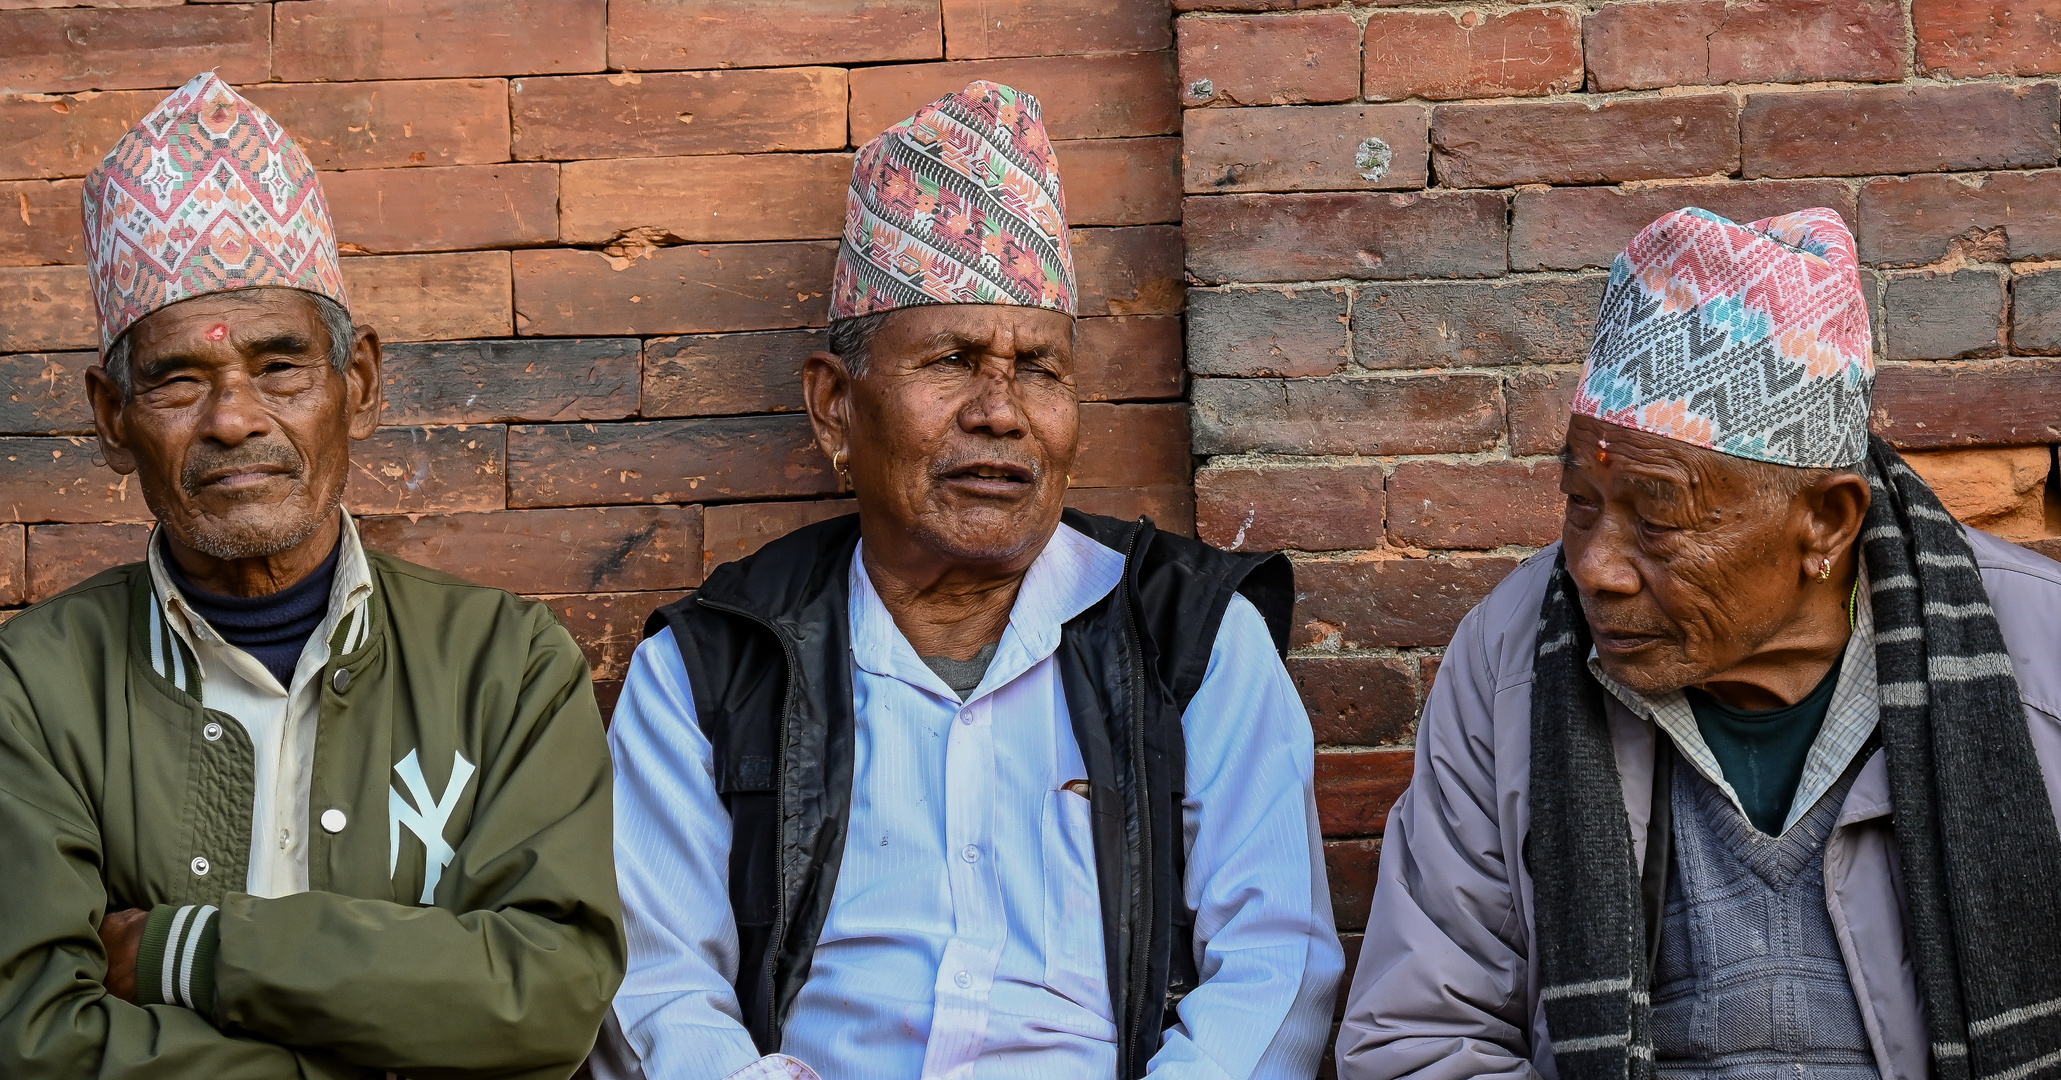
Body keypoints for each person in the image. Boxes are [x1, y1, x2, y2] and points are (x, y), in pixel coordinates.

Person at [597, 82, 1342, 1080]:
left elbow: (1272, 970)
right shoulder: (714, 662)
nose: (1002, 411)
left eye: (1040, 367)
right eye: (952, 359)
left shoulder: (1191, 639)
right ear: (833, 407)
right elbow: (655, 986)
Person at [1336, 206, 2061, 1080]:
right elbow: (1420, 1037)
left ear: (1824, 521)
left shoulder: (2036, 653)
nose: (1596, 569)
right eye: (1580, 503)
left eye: (1659, 515)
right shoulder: (1508, 656)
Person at [0, 72, 624, 1079]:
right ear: (113, 419)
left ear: (361, 384)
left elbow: (550, 998)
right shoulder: (33, 686)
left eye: (281, 366)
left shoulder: (506, 666)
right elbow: (30, 1042)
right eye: (176, 379)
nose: (234, 418)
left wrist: (187, 951)